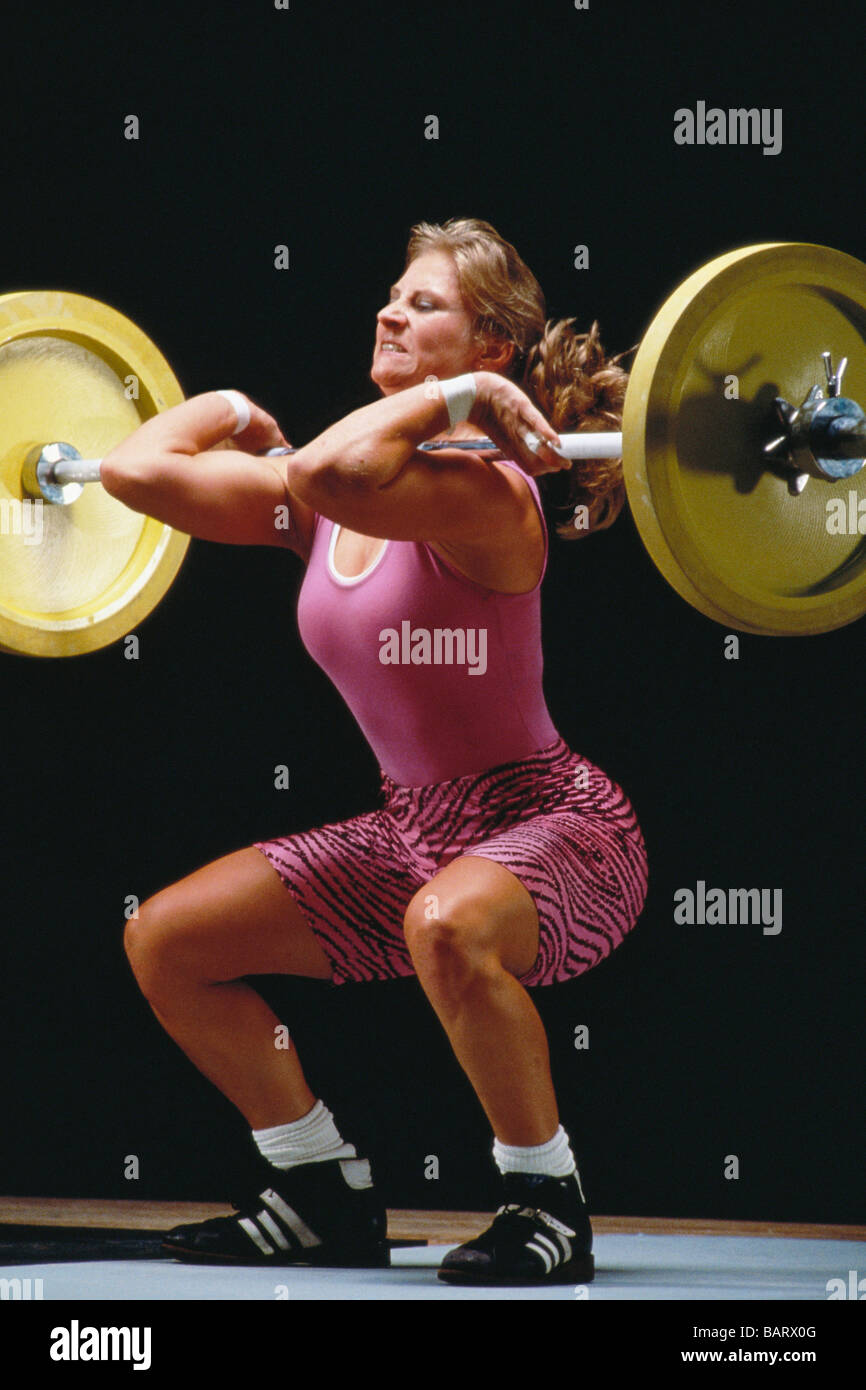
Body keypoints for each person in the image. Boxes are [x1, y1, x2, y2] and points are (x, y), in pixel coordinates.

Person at [107, 217, 649, 1285]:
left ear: (492, 351)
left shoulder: (487, 496)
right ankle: (317, 1186)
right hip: (410, 836)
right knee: (167, 942)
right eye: (390, 295)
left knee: (443, 922)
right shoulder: (324, 499)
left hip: (557, 827)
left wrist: (457, 410)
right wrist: (224, 407)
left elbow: (334, 473)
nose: (389, 311)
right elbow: (135, 476)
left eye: (424, 304)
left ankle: (546, 1199)